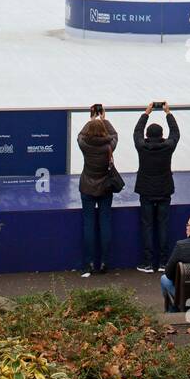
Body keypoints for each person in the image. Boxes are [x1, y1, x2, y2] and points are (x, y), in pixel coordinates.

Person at [133, 101, 180, 273]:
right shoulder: (168, 146)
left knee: (147, 226)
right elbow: (175, 133)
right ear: (162, 135)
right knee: (163, 225)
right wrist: (168, 113)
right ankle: (163, 262)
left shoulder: (141, 146)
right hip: (164, 189)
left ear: (147, 134)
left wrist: (146, 112)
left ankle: (147, 262)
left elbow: (136, 131)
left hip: (146, 189)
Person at [77, 105, 118, 276]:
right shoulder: (109, 145)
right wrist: (104, 119)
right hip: (105, 188)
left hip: (87, 186)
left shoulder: (84, 144)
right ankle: (104, 263)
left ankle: (88, 264)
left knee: (88, 225)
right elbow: (114, 134)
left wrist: (92, 120)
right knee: (105, 223)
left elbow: (80, 135)